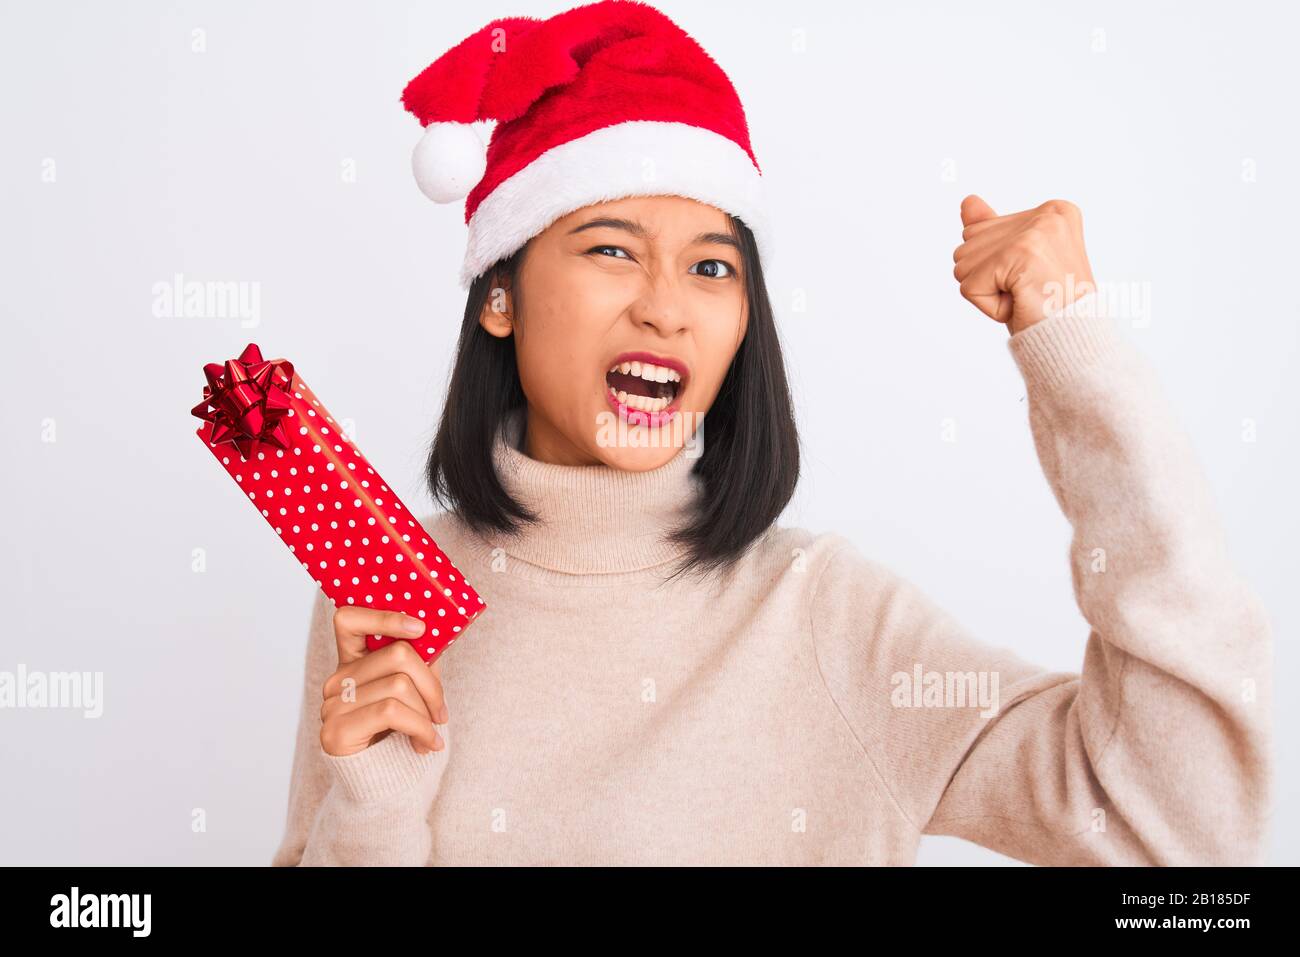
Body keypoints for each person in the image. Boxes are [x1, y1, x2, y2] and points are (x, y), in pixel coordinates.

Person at [271, 0, 1272, 866]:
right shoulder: (385, 594)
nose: (667, 308)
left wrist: (1076, 355)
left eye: (711, 267)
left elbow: (1179, 829)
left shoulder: (828, 618)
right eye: (611, 249)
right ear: (500, 295)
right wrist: (375, 807)